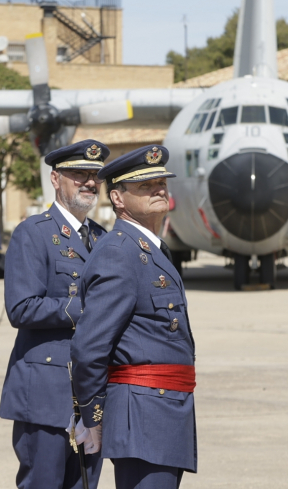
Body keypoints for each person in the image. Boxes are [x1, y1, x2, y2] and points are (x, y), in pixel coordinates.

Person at [71, 144, 196, 489]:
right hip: (142, 415)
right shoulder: (119, 252)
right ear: (118, 198)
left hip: (165, 409)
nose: (159, 190)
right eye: (145, 185)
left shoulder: (149, 248)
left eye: (161, 183)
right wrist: (93, 416)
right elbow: (89, 347)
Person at [0, 140, 111, 489]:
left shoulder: (101, 237)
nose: (89, 182)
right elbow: (21, 307)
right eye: (79, 174)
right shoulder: (34, 233)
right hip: (46, 392)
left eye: (94, 176)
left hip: (92, 390)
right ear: (55, 179)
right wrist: (88, 309)